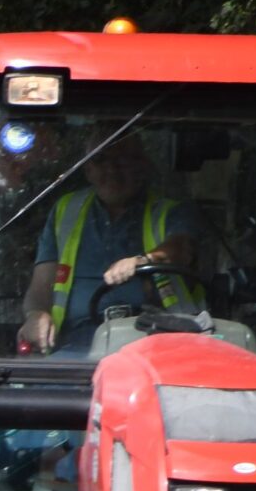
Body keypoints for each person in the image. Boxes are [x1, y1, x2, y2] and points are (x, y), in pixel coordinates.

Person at [17, 136, 203, 355]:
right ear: (88, 170)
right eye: (101, 160)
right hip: (76, 344)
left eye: (122, 160)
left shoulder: (170, 212)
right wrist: (35, 314)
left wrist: (143, 260)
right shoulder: (66, 211)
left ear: (141, 166)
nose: (112, 170)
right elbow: (41, 285)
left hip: (155, 337)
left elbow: (180, 248)